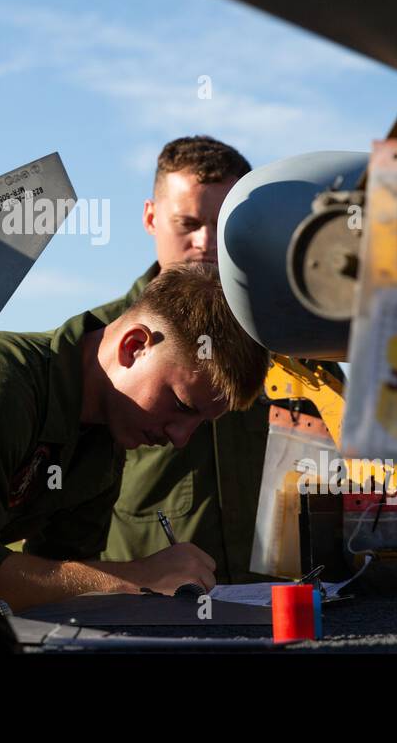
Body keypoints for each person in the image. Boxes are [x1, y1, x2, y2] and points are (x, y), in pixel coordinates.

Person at [0, 263, 269, 612]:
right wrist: (135, 576)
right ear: (134, 347)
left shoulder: (105, 440)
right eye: (182, 406)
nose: (181, 438)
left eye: (200, 423)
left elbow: (60, 578)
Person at [92, 135, 275, 583]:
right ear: (152, 218)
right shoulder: (95, 349)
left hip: (294, 607)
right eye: (188, 223)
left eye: (223, 224)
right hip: (150, 619)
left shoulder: (293, 343)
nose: (205, 242)